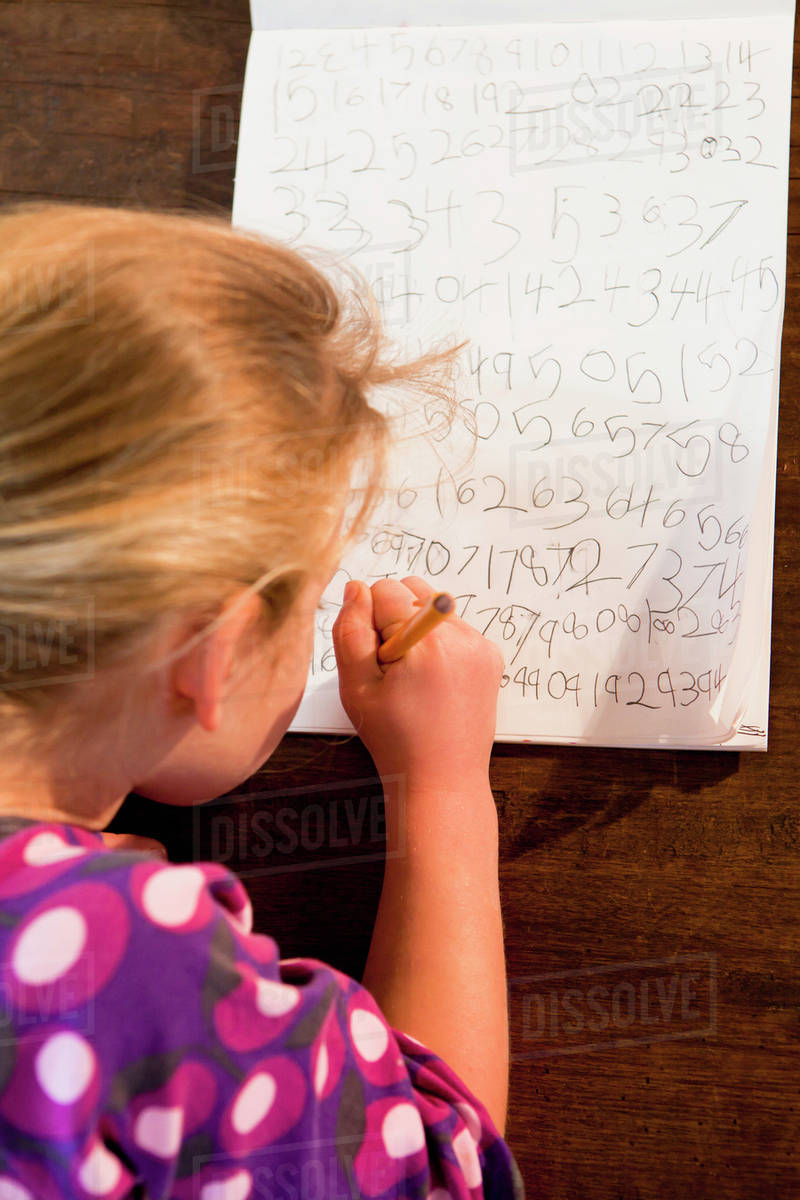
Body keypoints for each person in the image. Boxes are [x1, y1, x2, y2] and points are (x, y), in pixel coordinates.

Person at [0, 203, 524, 1199]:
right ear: (209, 654)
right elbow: (435, 1166)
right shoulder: (123, 963)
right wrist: (444, 787)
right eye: (312, 597)